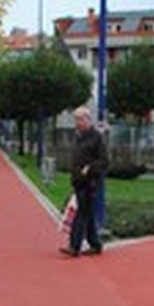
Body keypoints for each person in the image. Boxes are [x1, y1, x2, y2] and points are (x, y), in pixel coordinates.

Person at [62, 107, 108, 257]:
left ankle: (74, 246)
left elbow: (104, 161)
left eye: (80, 119)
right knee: (87, 214)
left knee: (81, 213)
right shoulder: (79, 137)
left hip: (90, 182)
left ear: (88, 119)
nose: (77, 122)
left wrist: (89, 169)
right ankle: (95, 244)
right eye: (76, 119)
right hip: (79, 181)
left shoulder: (96, 137)